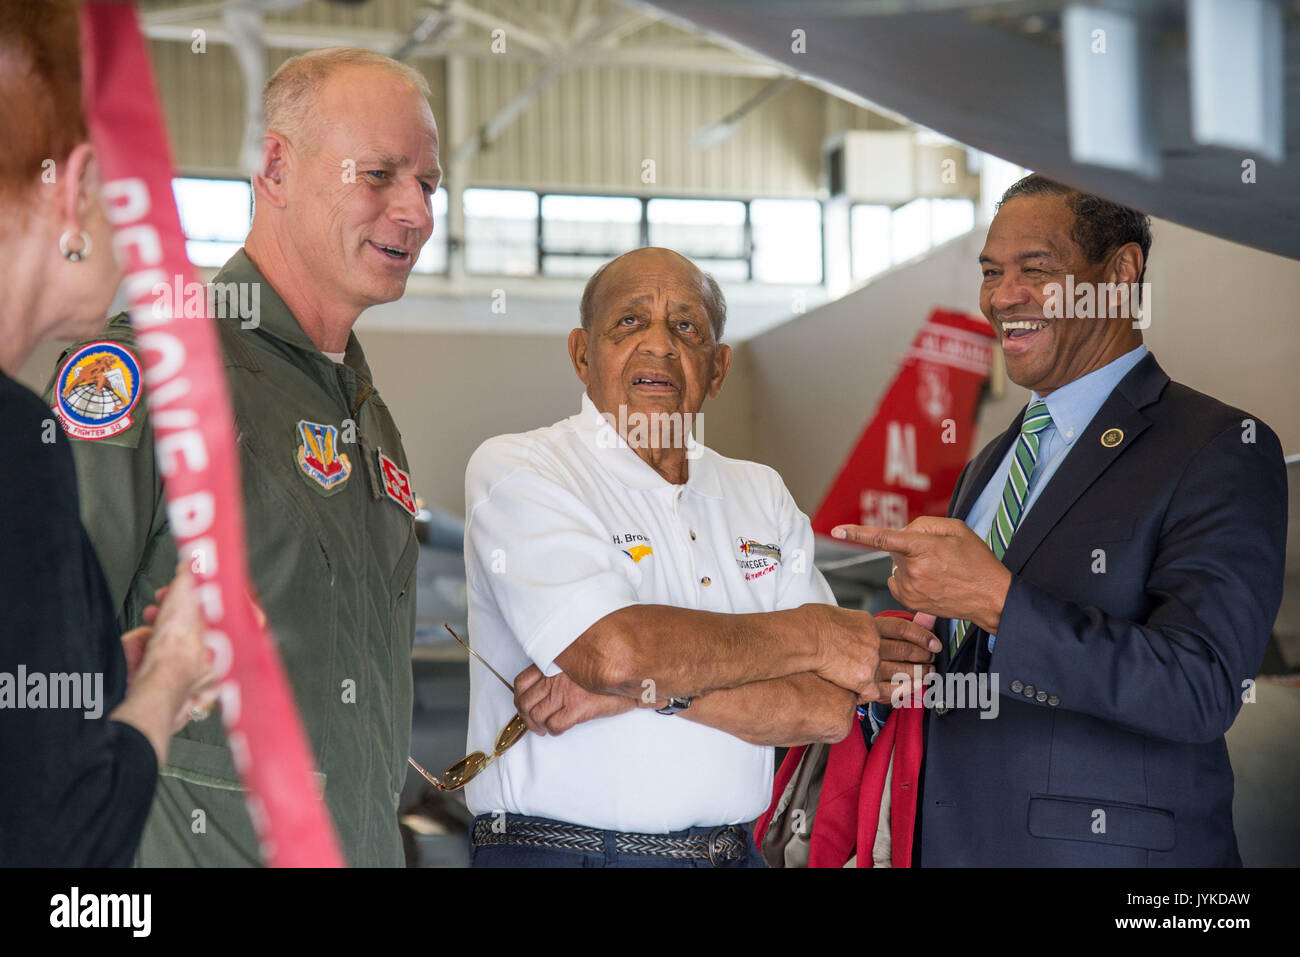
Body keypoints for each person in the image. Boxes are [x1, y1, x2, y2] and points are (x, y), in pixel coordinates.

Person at [46, 47, 440, 866]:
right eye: (379, 175)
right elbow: (40, 675)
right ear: (276, 167)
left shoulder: (368, 417)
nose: (416, 213)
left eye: (428, 185)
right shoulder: (153, 370)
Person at [833, 174, 1288, 866]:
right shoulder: (994, 461)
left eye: (1034, 270)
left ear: (1121, 272)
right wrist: (908, 659)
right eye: (991, 273)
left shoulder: (1220, 447)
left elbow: (1201, 688)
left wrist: (995, 600)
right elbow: (979, 672)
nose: (1001, 295)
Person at [460, 246, 940, 867]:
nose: (659, 344)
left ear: (716, 369)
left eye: (686, 327)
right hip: (569, 854)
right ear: (582, 353)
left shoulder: (759, 491)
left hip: (729, 854)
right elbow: (615, 653)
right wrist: (815, 635)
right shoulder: (522, 468)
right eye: (629, 322)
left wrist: (636, 694)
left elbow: (826, 708)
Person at [0, 0, 215, 866]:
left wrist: (93, 665)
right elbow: (62, 850)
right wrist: (169, 680)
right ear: (76, 184)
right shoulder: (20, 450)